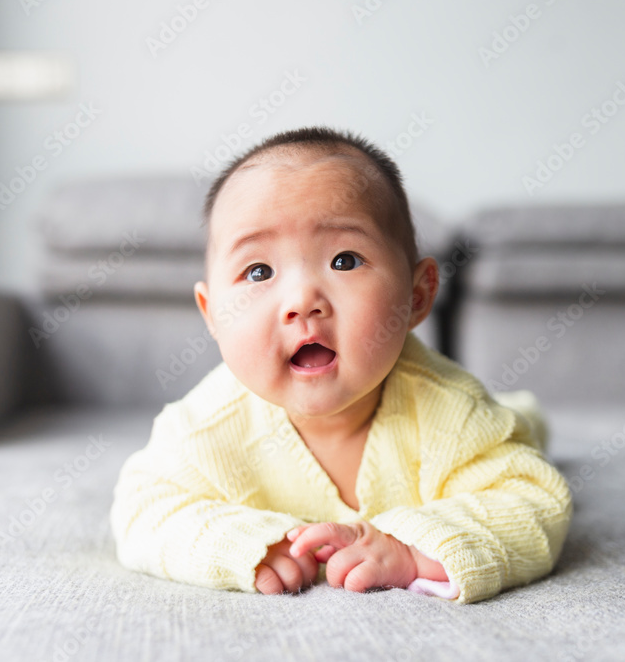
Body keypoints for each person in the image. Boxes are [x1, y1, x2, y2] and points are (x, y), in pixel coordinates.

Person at [110, 126, 572, 603]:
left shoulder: (453, 415)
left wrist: (411, 546)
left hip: (478, 421)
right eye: (258, 271)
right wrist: (245, 544)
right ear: (212, 314)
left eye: (345, 261)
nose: (301, 301)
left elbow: (535, 502)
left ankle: (522, 417)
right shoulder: (205, 427)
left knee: (514, 430)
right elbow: (143, 509)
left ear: (416, 296)